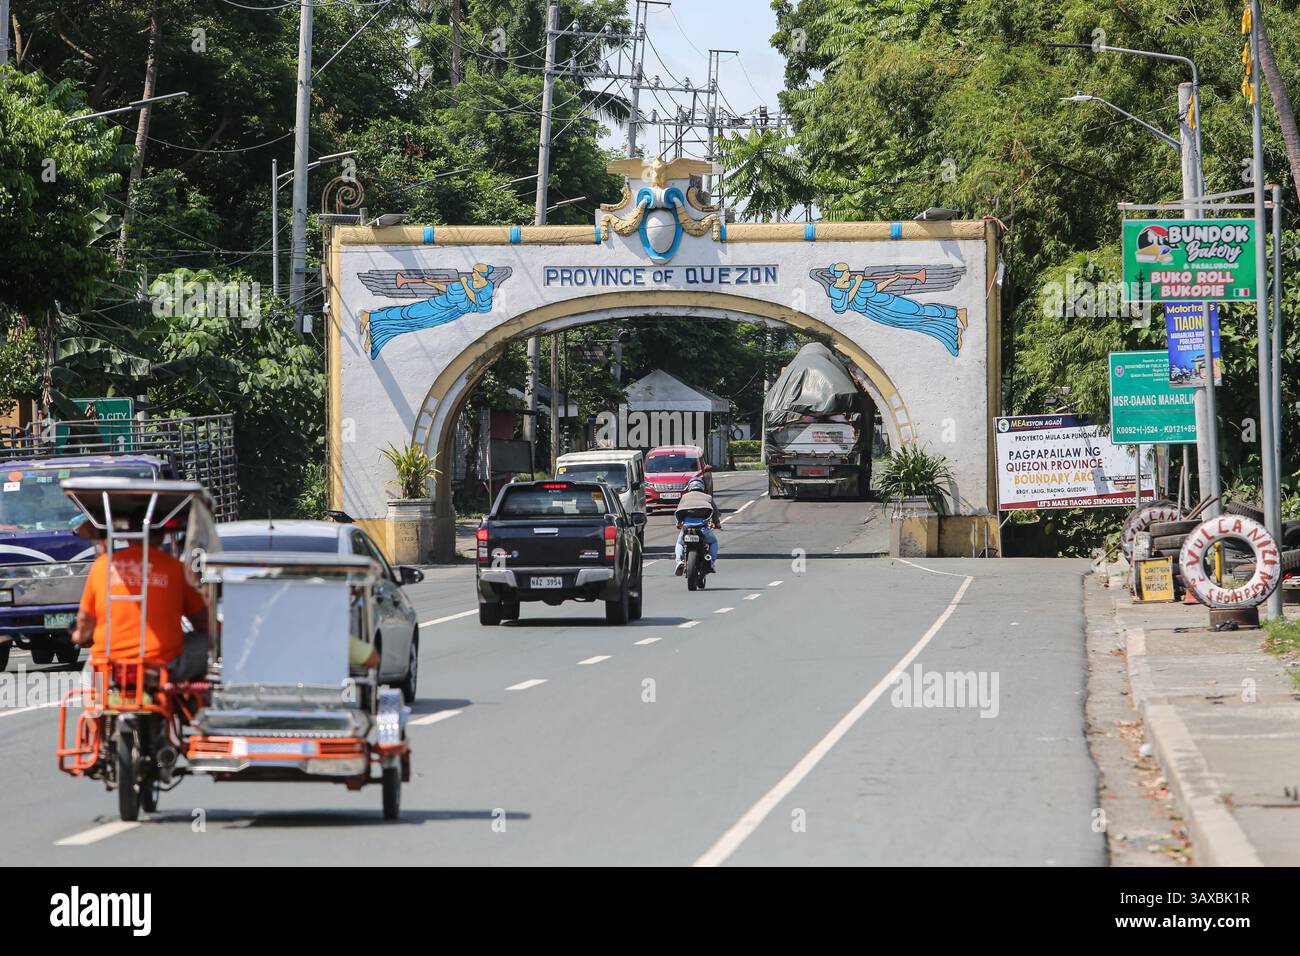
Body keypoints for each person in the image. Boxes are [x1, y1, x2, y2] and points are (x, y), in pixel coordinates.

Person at [71, 528, 209, 680]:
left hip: (109, 666)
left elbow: (85, 621)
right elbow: (202, 622)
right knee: (207, 643)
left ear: (128, 537)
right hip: (162, 666)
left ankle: (98, 700)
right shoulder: (177, 568)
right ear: (161, 537)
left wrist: (78, 636)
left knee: (89, 674)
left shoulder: (101, 567)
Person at [673, 477, 721, 576]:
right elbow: (715, 513)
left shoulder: (684, 497)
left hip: (686, 529)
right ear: (702, 486)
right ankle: (711, 561)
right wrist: (717, 523)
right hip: (702, 529)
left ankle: (679, 561)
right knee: (713, 542)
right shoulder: (708, 497)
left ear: (689, 487)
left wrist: (678, 523)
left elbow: (678, 511)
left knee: (680, 543)